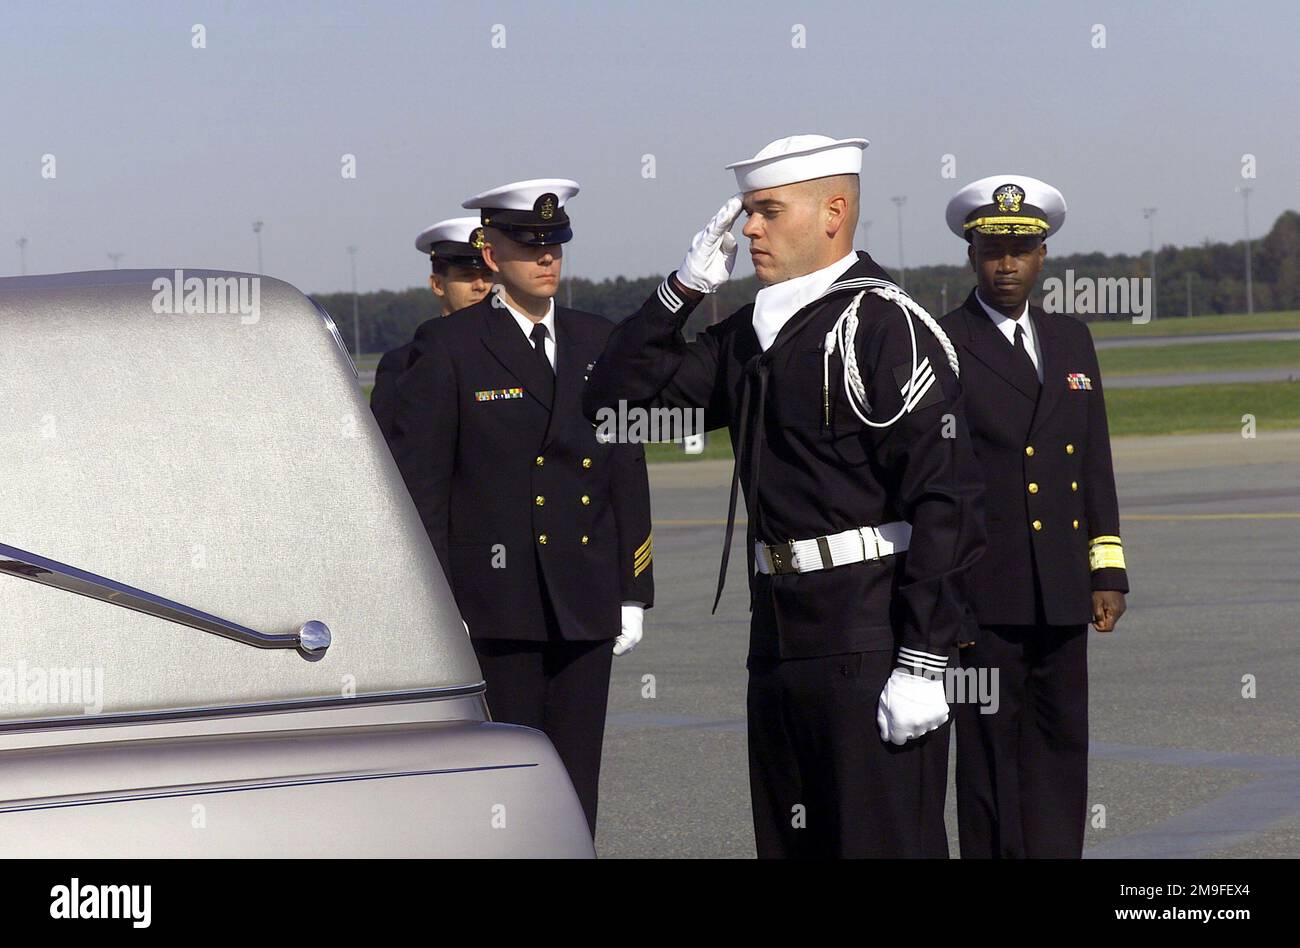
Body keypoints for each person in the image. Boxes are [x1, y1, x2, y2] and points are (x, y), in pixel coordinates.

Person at [583, 136, 986, 857]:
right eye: (747, 213)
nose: (749, 230)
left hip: (871, 634)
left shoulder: (886, 329)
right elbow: (615, 402)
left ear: (834, 212)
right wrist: (680, 292)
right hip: (777, 635)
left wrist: (924, 662)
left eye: (768, 211)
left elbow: (947, 504)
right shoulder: (750, 333)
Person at [389, 179, 654, 837]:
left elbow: (626, 469)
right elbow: (425, 493)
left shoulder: (600, 341)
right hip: (496, 607)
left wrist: (633, 588)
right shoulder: (449, 348)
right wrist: (434, 606)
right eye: (529, 246)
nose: (547, 259)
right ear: (490, 254)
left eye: (555, 244)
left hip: (585, 601)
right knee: (505, 788)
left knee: (573, 781)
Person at [940, 174, 1129, 858]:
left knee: (1059, 749)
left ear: (1044, 256)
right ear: (972, 255)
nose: (1007, 265)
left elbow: (1093, 465)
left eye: (1022, 251)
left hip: (1061, 593)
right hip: (981, 599)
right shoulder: (944, 341)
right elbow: (939, 483)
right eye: (993, 251)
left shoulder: (1072, 339)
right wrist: (945, 599)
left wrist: (1107, 572)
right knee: (988, 764)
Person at [370, 217, 493, 441]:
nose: (480, 286)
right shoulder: (403, 364)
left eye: (488, 276)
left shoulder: (517, 352)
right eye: (467, 276)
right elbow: (387, 454)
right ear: (437, 285)